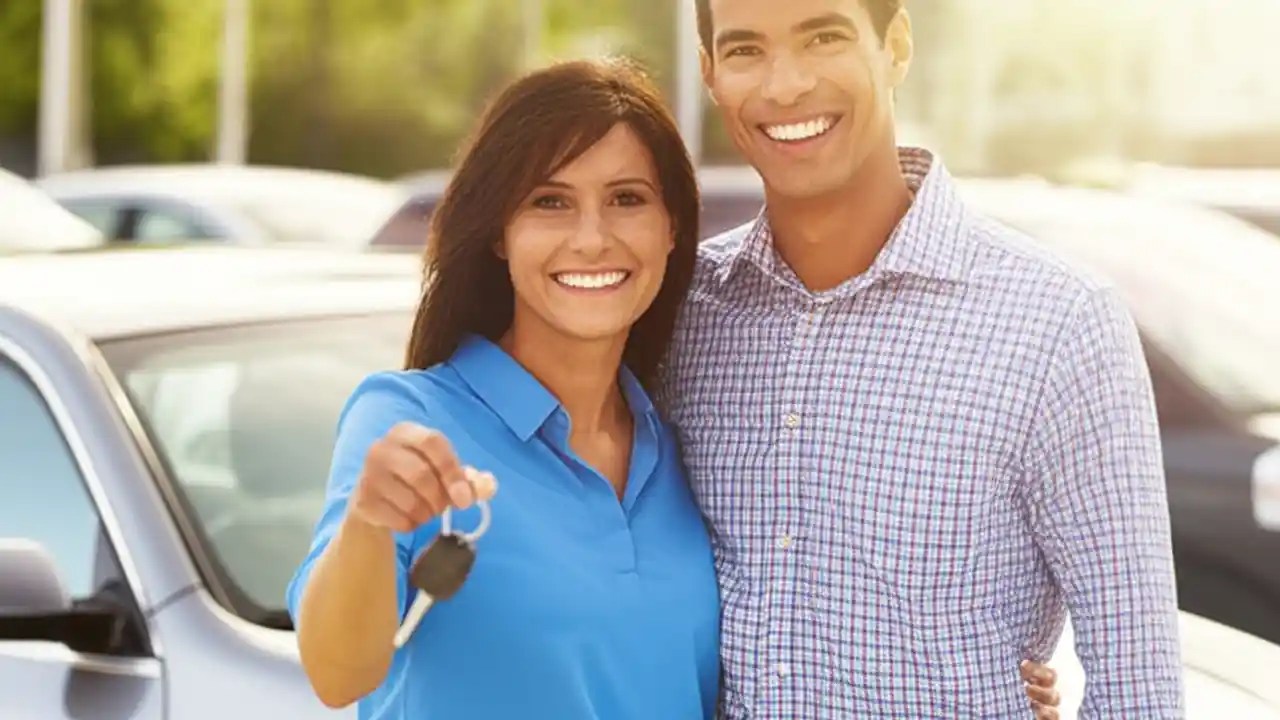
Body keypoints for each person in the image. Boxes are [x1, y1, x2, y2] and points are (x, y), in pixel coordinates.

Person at [287, 59, 1063, 719]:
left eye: (626, 199)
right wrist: (369, 524)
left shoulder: (676, 433)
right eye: (549, 202)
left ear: (670, 229)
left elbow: (792, 632)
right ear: (499, 232)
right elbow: (338, 673)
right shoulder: (408, 418)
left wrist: (978, 691)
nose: (592, 236)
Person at [661, 0, 1185, 717]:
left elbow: (1138, 685)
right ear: (710, 73)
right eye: (747, 49)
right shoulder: (679, 314)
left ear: (896, 46)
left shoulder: (1057, 323)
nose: (784, 85)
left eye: (824, 36)